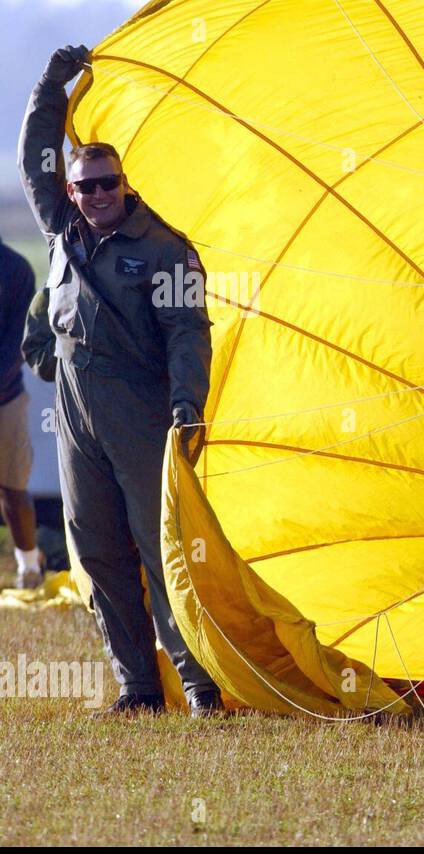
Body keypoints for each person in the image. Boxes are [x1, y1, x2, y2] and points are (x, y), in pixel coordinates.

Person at [18, 44, 221, 717]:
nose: (100, 194)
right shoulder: (63, 231)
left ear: (125, 185)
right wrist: (51, 85)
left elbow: (188, 331)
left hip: (142, 405)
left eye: (110, 183)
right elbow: (33, 162)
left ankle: (199, 683)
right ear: (73, 192)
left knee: (162, 552)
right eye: (88, 186)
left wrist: (189, 402)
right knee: (98, 549)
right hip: (76, 408)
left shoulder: (164, 248)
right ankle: (139, 687)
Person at [0, 237, 40, 588]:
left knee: (13, 489)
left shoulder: (15, 269)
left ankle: (29, 565)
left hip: (6, 398)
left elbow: (18, 346)